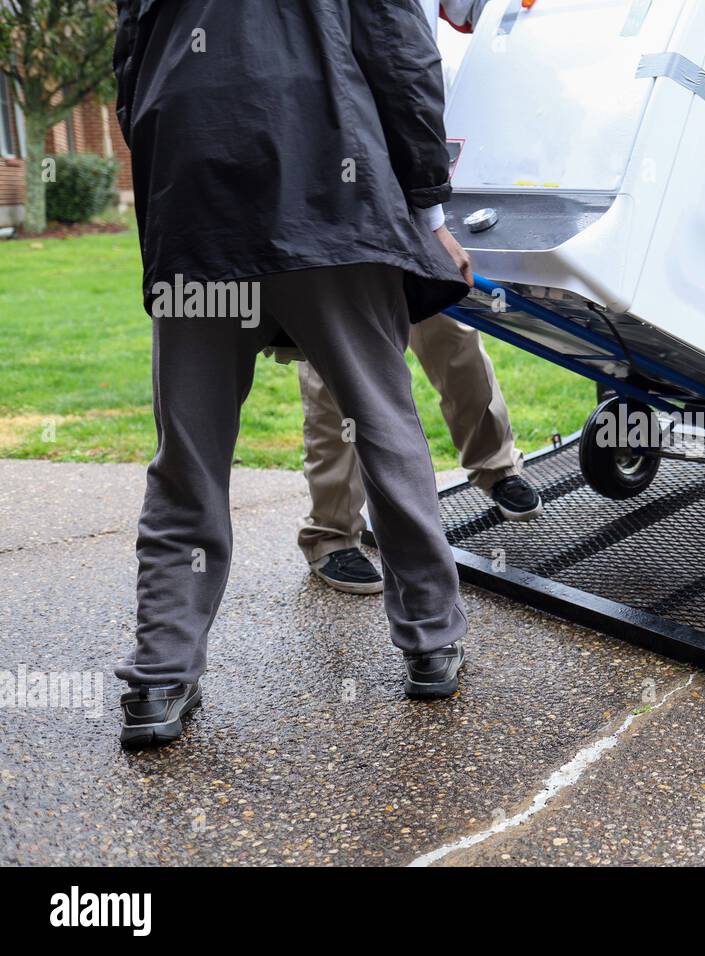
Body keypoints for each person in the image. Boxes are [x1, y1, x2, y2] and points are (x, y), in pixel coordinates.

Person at [113, 0, 475, 749]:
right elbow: (402, 51)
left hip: (197, 195)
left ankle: (160, 676)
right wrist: (429, 208)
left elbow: (132, 63)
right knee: (382, 425)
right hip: (330, 186)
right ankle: (431, 639)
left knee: (189, 453)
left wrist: (171, 168)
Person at [298, 0, 542, 596]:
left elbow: (471, 13)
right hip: (330, 186)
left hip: (410, 186)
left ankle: (495, 467)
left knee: (452, 337)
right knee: (334, 372)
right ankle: (331, 533)